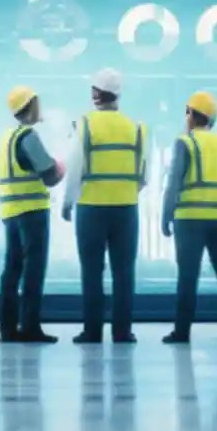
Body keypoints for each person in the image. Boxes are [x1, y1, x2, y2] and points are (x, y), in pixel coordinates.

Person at [62, 68, 147, 344]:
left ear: (95, 94)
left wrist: (68, 201)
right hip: (126, 209)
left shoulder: (85, 124)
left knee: (92, 272)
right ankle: (123, 332)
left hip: (91, 208)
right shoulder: (136, 127)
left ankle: (93, 331)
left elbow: (75, 167)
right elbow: (144, 174)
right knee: (124, 273)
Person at [160, 91, 217, 344]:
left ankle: (182, 332)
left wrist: (166, 216)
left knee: (188, 276)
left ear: (190, 114)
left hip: (190, 219)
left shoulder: (185, 143)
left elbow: (173, 183)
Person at [0, 86, 65, 344]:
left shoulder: (8, 137)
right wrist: (63, 166)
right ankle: (30, 328)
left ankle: (7, 329)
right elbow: (49, 175)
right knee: (33, 271)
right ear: (30, 106)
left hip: (11, 212)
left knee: (11, 270)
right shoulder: (28, 137)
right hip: (31, 213)